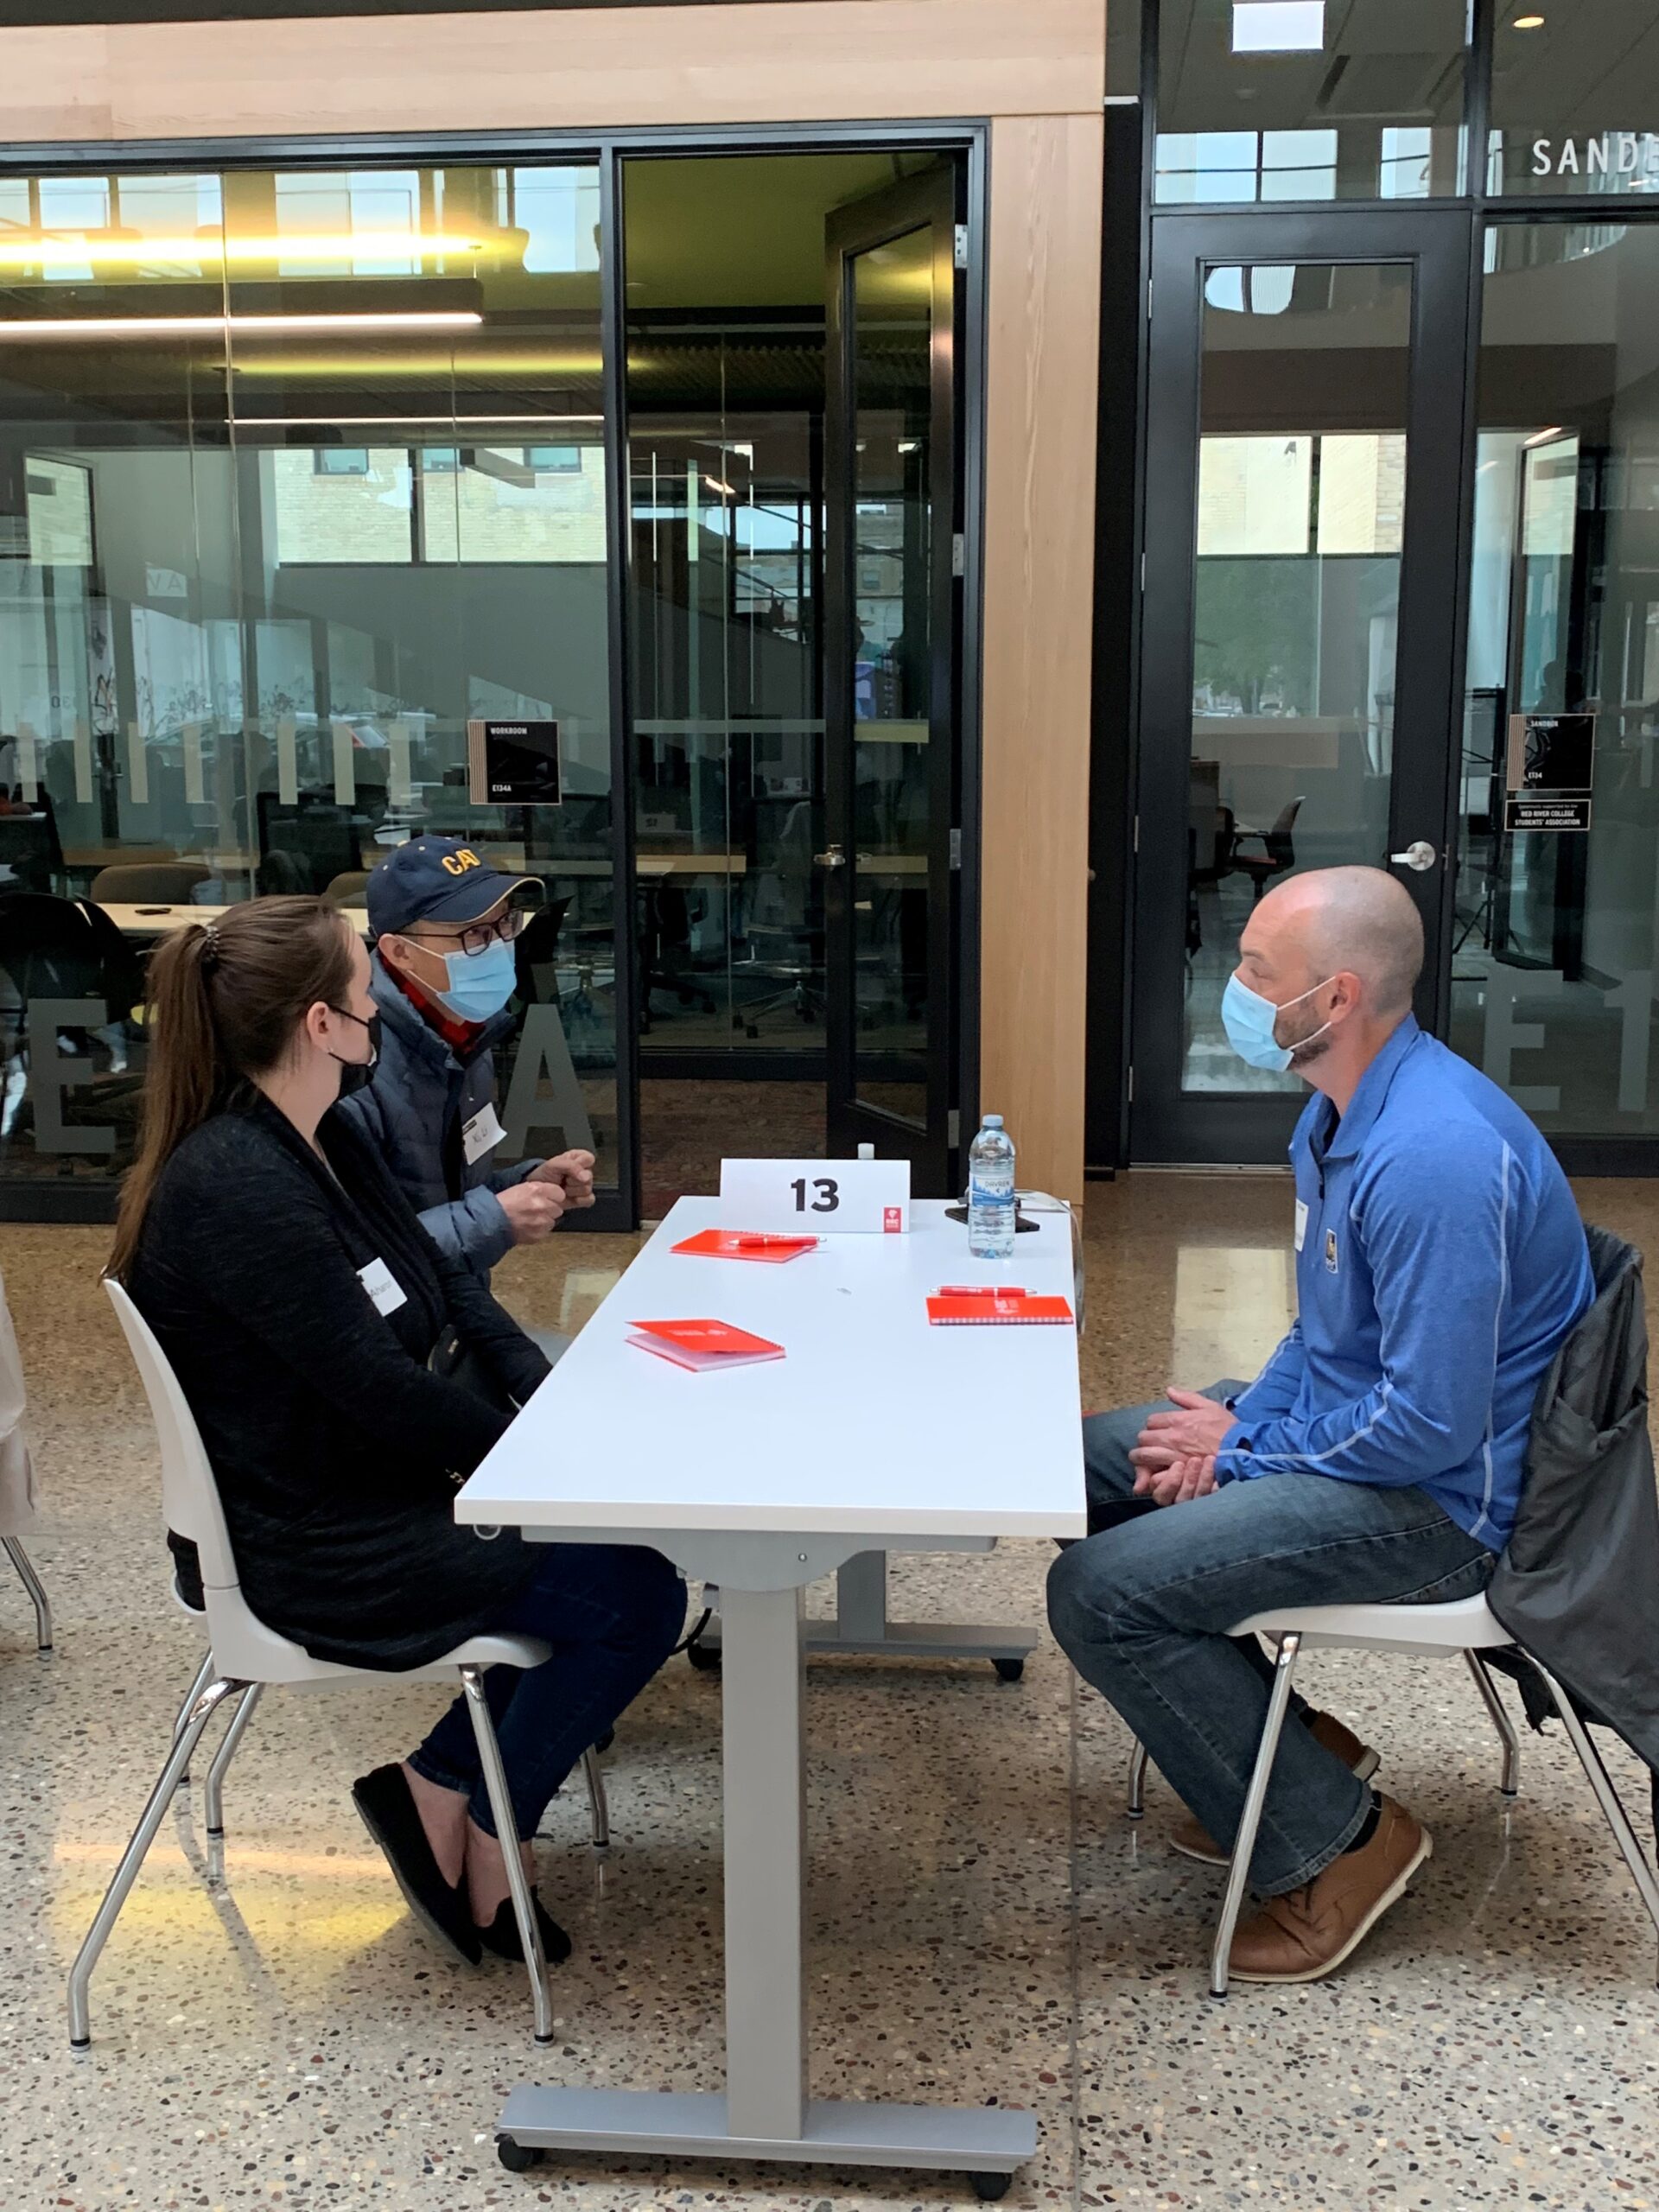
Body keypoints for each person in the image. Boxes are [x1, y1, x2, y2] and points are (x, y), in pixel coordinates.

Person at [110, 896, 685, 1967]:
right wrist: (526, 1463)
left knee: (621, 1576)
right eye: (359, 986)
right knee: (637, 1593)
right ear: (318, 1024)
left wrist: (540, 1397)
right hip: (317, 1541)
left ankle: (446, 1787)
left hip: (366, 1485)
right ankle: (479, 1823)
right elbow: (374, 1385)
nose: (377, 1000)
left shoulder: (321, 1133)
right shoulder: (234, 1186)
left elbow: (442, 1283)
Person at [1048, 866, 1593, 1984]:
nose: (1233, 988)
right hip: (1371, 1440)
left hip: (1448, 1508)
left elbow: (1431, 1427)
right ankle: (1280, 1751)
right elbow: (1326, 1327)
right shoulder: (1339, 1111)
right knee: (1082, 1468)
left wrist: (1240, 1453)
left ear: (1336, 999)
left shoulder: (1431, 1157)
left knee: (1098, 1594)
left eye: (1257, 971)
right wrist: (1247, 1416)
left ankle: (1336, 1840)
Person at [336, 838, 595, 1362]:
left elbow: (438, 1192)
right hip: (385, 1352)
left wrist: (524, 1183)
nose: (499, 946)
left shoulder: (461, 1031)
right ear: (398, 951)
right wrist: (494, 1219)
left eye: (504, 926)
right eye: (474, 934)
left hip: (452, 1320)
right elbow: (354, 1266)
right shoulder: (353, 1063)